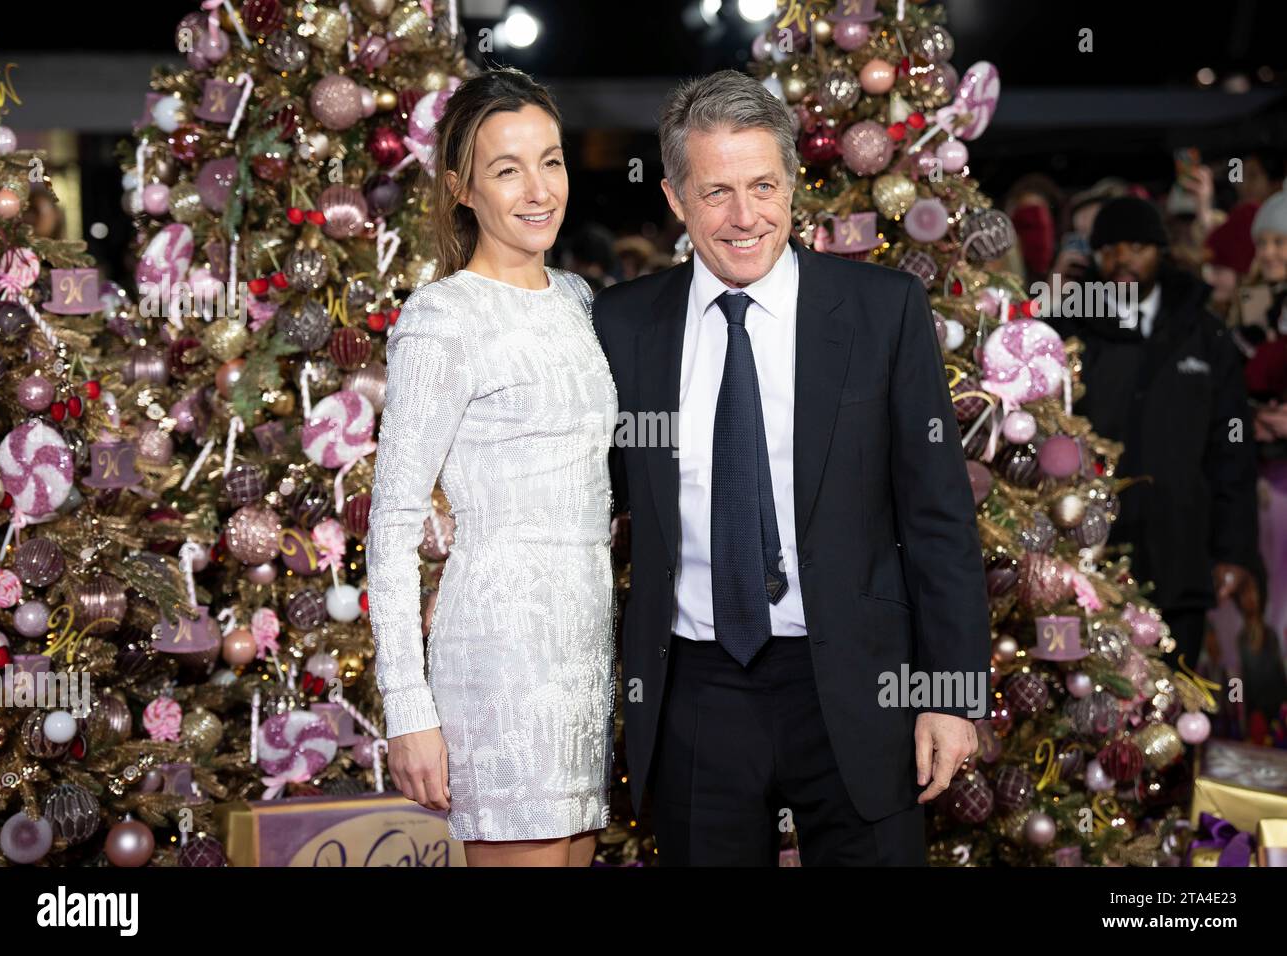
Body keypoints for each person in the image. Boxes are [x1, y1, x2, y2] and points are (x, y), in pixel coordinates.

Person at [591, 70, 990, 866]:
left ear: (794, 184)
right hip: (696, 692)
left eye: (764, 186)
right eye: (715, 193)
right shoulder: (622, 324)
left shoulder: (882, 312)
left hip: (859, 685)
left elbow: (938, 516)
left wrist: (950, 695)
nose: (745, 218)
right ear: (674, 198)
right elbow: (592, 504)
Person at [365, 67, 618, 867]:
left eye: (551, 160)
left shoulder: (577, 299)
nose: (538, 189)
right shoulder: (442, 319)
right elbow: (394, 523)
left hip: (585, 650)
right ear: (461, 189)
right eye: (507, 169)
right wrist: (408, 708)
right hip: (502, 658)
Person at [1049, 195, 1262, 672]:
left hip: (1180, 554)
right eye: (1109, 249)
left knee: (1174, 709)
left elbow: (1232, 453)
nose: (1122, 259)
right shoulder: (1069, 329)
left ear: (1160, 252)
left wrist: (1235, 551)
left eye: (1137, 246)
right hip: (1089, 561)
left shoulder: (1206, 335)